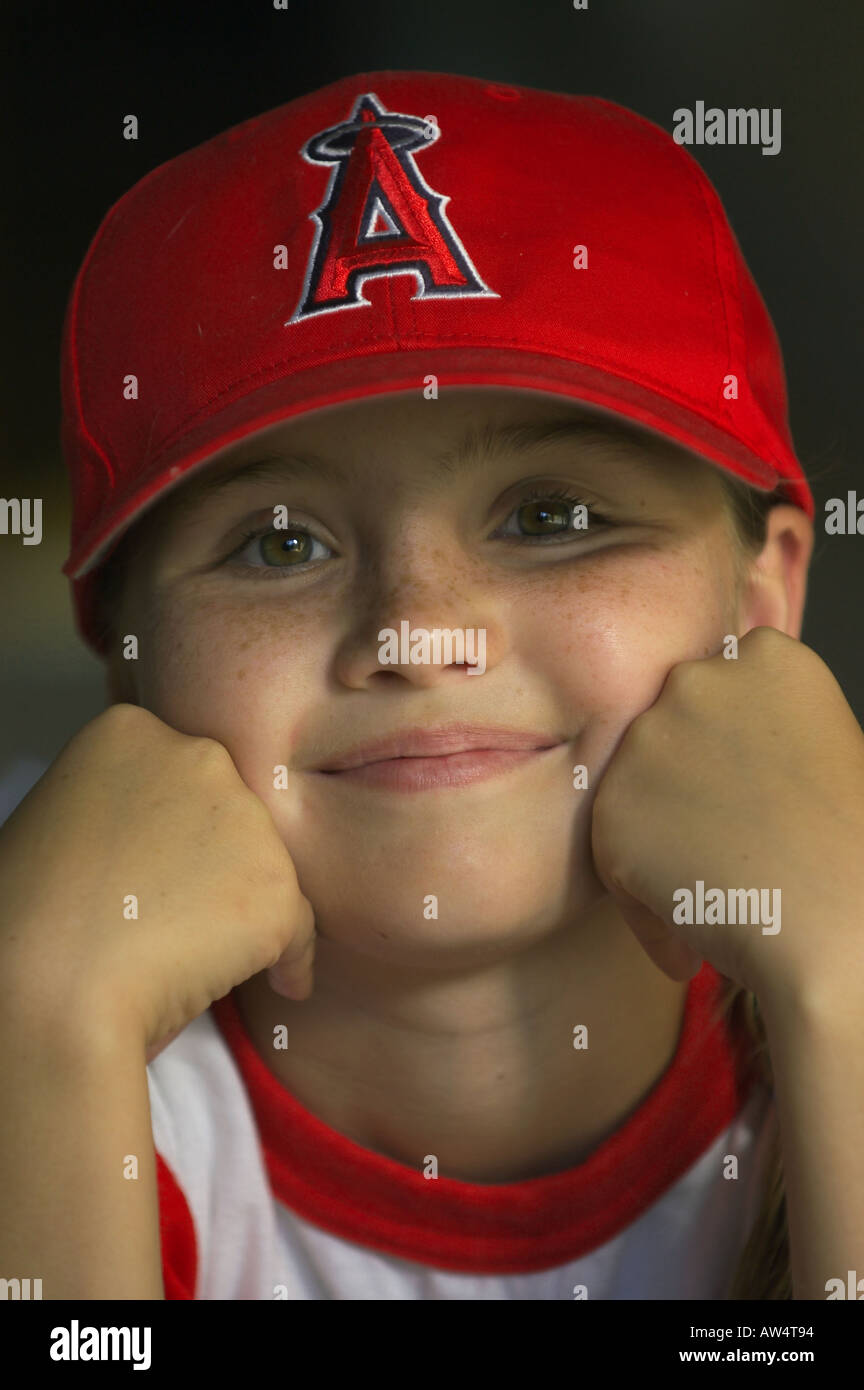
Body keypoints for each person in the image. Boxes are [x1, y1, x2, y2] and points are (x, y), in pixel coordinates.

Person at [1, 70, 862, 1301]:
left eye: (553, 516)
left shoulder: (846, 957)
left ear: (762, 600)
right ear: (125, 662)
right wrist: (38, 1038)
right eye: (281, 542)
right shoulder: (46, 1004)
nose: (421, 632)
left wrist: (848, 978)